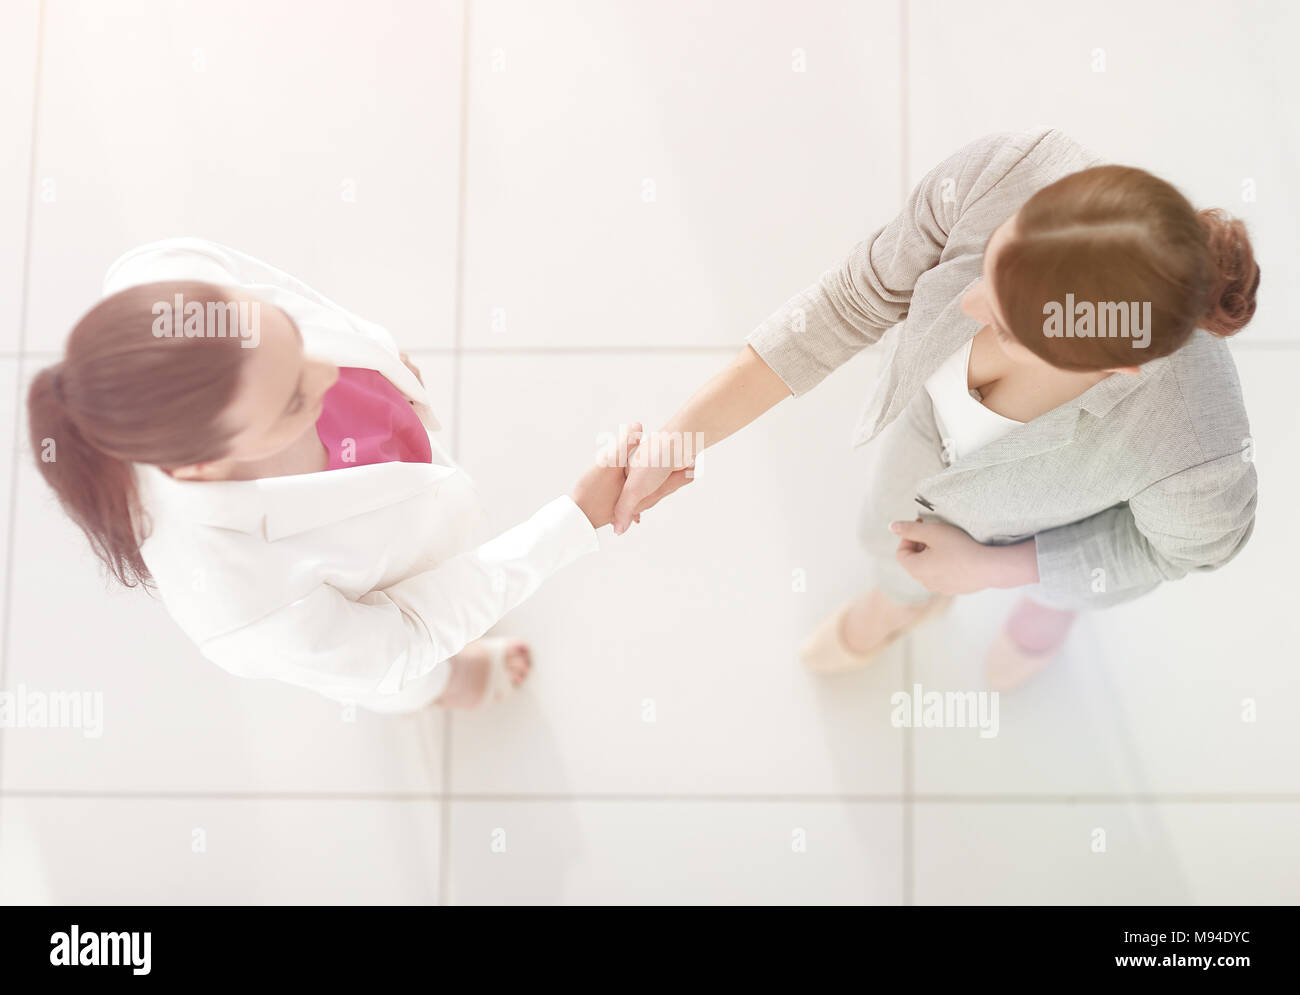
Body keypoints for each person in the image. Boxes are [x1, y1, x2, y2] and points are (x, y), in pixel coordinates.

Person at [612, 128, 1260, 690]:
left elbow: (1169, 551)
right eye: (993, 265)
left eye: (1007, 327)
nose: (968, 308)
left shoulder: (1196, 447)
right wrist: (678, 438)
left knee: (1057, 584)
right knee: (890, 532)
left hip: (1034, 530)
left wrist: (996, 569)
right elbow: (849, 305)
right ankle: (904, 606)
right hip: (923, 472)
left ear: (1116, 369)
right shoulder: (1006, 170)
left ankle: (1042, 611)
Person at [28, 238, 687, 713]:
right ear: (202, 464)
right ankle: (453, 688)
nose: (328, 373)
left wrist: (369, 347)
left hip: (392, 474)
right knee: (414, 677)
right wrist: (572, 521)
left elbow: (284, 292)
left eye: (292, 339)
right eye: (292, 398)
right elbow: (398, 643)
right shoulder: (243, 600)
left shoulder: (162, 278)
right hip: (390, 628)